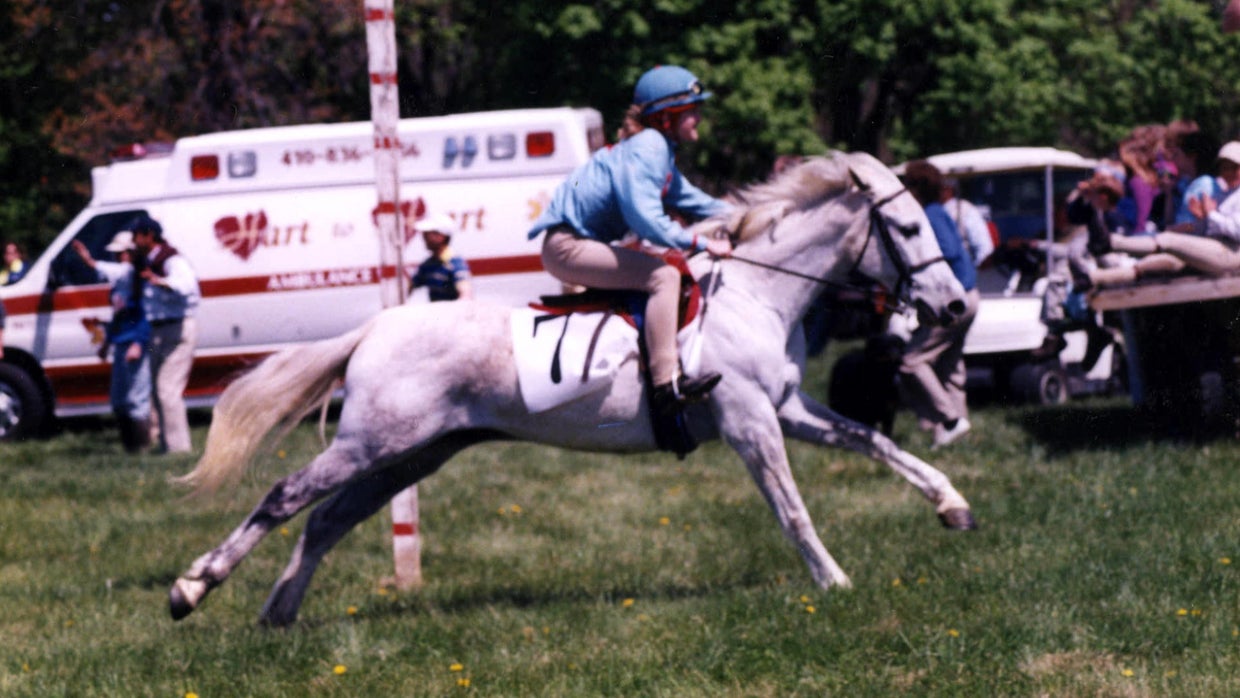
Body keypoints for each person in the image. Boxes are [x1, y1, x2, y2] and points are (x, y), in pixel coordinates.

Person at [526, 64, 733, 418]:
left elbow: (695, 200)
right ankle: (667, 385)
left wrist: (745, 213)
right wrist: (701, 242)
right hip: (567, 247)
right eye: (691, 110)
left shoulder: (656, 148)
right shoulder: (649, 146)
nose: (699, 116)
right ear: (666, 118)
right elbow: (645, 219)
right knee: (663, 276)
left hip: (570, 243)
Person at [898, 160, 981, 449]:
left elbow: (944, 250)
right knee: (950, 365)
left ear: (916, 187)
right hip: (969, 296)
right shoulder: (940, 211)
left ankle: (949, 421)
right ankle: (955, 437)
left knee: (912, 361)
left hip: (952, 301)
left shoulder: (929, 215)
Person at [1091, 142, 1240, 286]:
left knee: (1169, 241)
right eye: (1225, 168)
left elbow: (1236, 231)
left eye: (1234, 168)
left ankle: (1110, 242)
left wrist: (1211, 214)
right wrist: (1202, 219)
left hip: (1232, 254)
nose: (1229, 173)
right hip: (1217, 249)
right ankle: (1092, 278)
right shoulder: (1225, 194)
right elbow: (1211, 229)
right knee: (1165, 261)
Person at [73, 232, 152, 452]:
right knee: (119, 399)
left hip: (136, 342)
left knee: (136, 398)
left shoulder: (135, 277)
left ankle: (142, 447)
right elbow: (118, 316)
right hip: (121, 341)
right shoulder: (121, 284)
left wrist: (139, 342)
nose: (119, 258)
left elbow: (147, 315)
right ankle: (131, 447)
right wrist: (107, 343)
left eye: (121, 253)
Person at [130, 214, 200, 454]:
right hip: (157, 330)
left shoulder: (171, 260)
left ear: (149, 236)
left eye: (137, 235)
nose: (133, 239)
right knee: (156, 389)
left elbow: (187, 286)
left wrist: (159, 281)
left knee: (167, 389)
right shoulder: (145, 260)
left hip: (177, 328)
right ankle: (165, 445)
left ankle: (179, 449)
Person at [409, 213, 473, 302]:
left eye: (428, 233)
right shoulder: (427, 265)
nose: (423, 237)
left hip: (452, 315)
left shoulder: (455, 263)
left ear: (441, 236)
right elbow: (410, 286)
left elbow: (466, 293)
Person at [941, 178, 994, 268]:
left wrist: (971, 272)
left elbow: (985, 248)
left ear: (948, 190)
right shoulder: (927, 211)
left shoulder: (965, 210)